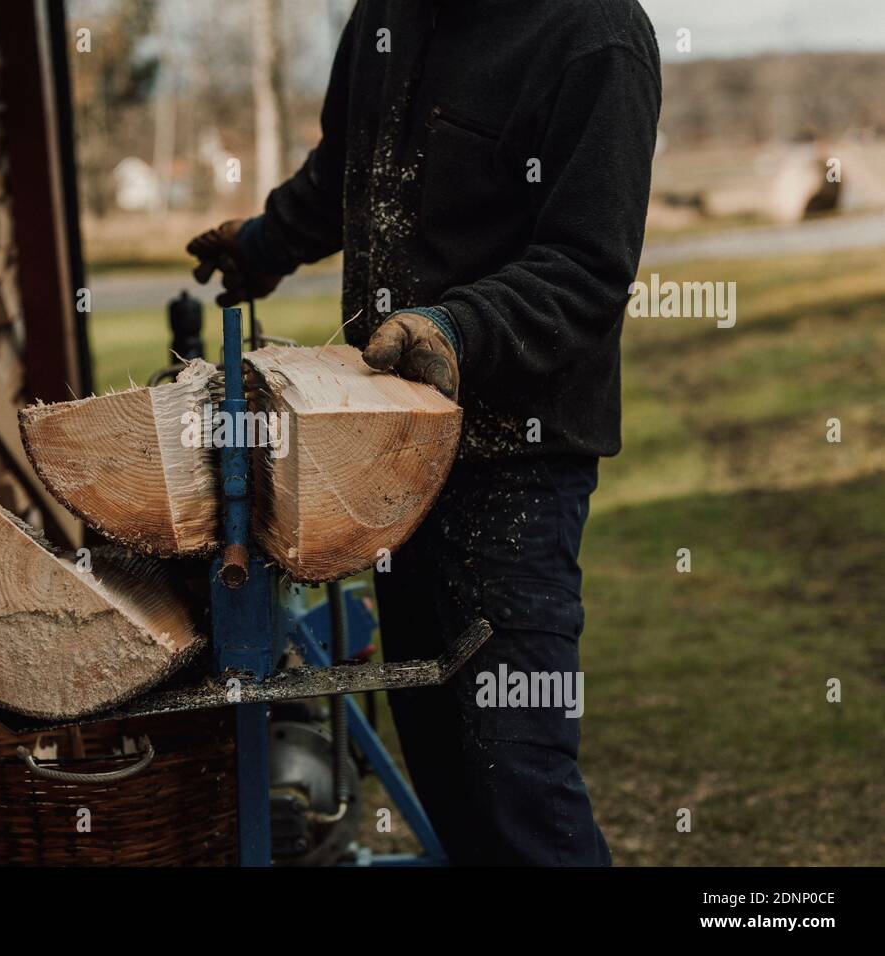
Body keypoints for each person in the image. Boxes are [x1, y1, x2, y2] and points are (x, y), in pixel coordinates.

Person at [187, 0, 662, 865]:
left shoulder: (595, 34)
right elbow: (349, 171)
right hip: (390, 464)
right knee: (442, 764)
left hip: (514, 467)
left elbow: (588, 269)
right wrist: (263, 245)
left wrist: (455, 329)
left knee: (517, 779)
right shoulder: (390, 14)